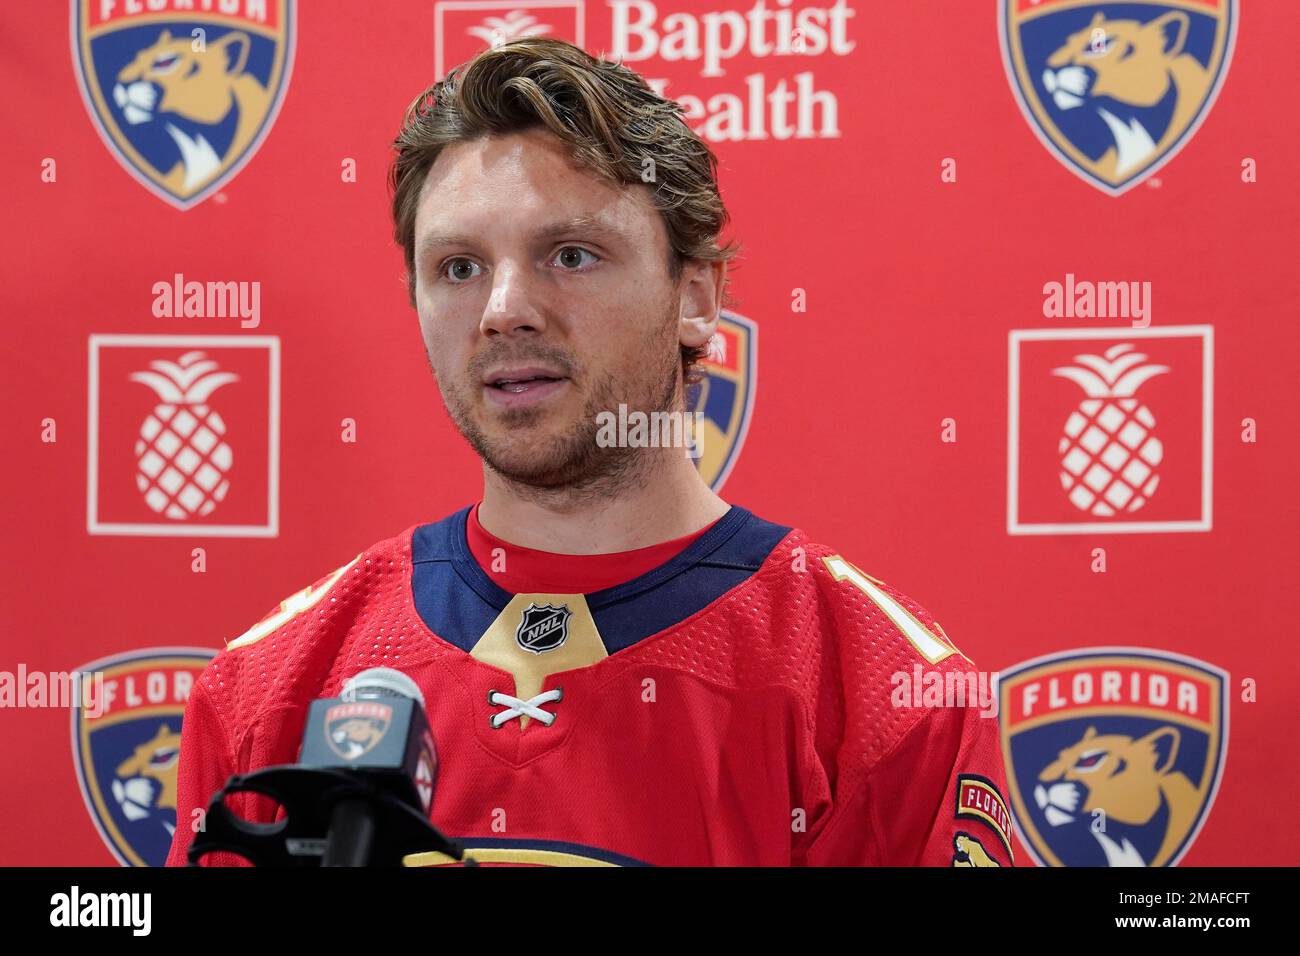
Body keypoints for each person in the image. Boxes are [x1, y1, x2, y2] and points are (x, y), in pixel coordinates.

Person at [166, 36, 1012, 867]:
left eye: (570, 255)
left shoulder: (885, 696)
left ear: (695, 295)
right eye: (458, 267)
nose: (503, 310)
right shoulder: (269, 688)